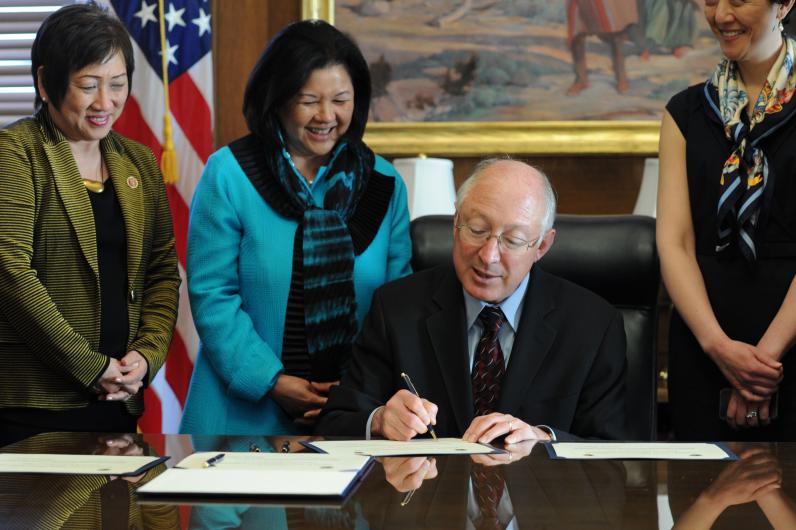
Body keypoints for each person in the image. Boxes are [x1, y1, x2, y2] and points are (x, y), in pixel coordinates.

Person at [180, 20, 412, 435]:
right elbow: (213, 295)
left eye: (341, 100)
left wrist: (353, 392)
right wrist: (270, 381)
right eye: (309, 101)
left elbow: (398, 306)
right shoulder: (230, 175)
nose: (327, 116)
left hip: (354, 414)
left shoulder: (385, 184)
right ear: (277, 99)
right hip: (240, 413)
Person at [316, 159, 626, 443]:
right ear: (455, 224)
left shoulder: (593, 325)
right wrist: (380, 420)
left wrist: (545, 440)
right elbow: (336, 423)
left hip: (536, 502)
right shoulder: (397, 308)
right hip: (425, 499)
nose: (488, 256)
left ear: (542, 245)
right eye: (477, 230)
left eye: (513, 241)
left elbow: (618, 456)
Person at [0, 3, 180, 447]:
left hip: (117, 401)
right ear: (46, 83)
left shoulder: (137, 160)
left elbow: (160, 273)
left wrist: (145, 355)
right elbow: (10, 272)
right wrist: (90, 365)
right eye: (89, 86)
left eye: (117, 85)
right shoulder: (17, 153)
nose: (106, 103)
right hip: (32, 407)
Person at [658, 0, 796, 440]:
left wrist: (760, 367)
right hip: (704, 347)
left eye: (737, 0)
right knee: (701, 498)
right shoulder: (682, 113)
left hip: (789, 342)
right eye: (711, 1)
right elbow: (675, 242)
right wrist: (718, 349)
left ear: (785, 4)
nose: (720, 16)